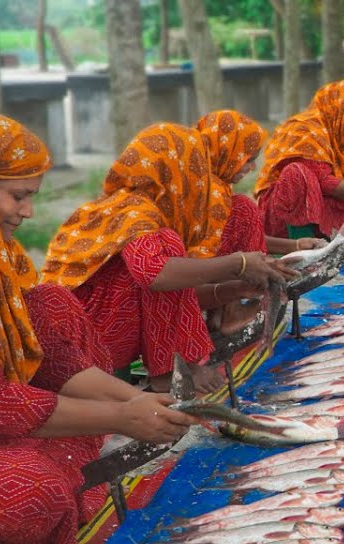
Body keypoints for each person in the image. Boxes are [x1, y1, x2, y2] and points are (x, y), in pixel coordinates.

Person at [0, 113, 196, 544]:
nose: (27, 212)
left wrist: (135, 402)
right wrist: (122, 417)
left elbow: (47, 356)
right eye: (18, 196)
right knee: (37, 492)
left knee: (48, 303)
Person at [41, 123, 296, 393]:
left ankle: (181, 360)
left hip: (95, 331)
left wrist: (235, 289)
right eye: (197, 170)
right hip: (80, 342)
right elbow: (156, 274)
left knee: (173, 255)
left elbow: (174, 295)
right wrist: (238, 264)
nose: (202, 180)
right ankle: (168, 373)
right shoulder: (133, 210)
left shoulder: (150, 209)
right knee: (169, 249)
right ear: (177, 171)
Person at [254, 78, 344, 241]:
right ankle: (302, 246)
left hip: (322, 202)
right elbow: (323, 182)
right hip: (286, 214)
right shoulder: (304, 128)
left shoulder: (342, 135)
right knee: (296, 174)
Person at [197, 109, 323, 258]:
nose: (253, 168)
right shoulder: (204, 191)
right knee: (243, 207)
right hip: (206, 268)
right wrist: (243, 266)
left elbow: (245, 235)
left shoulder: (218, 187)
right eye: (248, 160)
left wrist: (297, 245)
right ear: (226, 152)